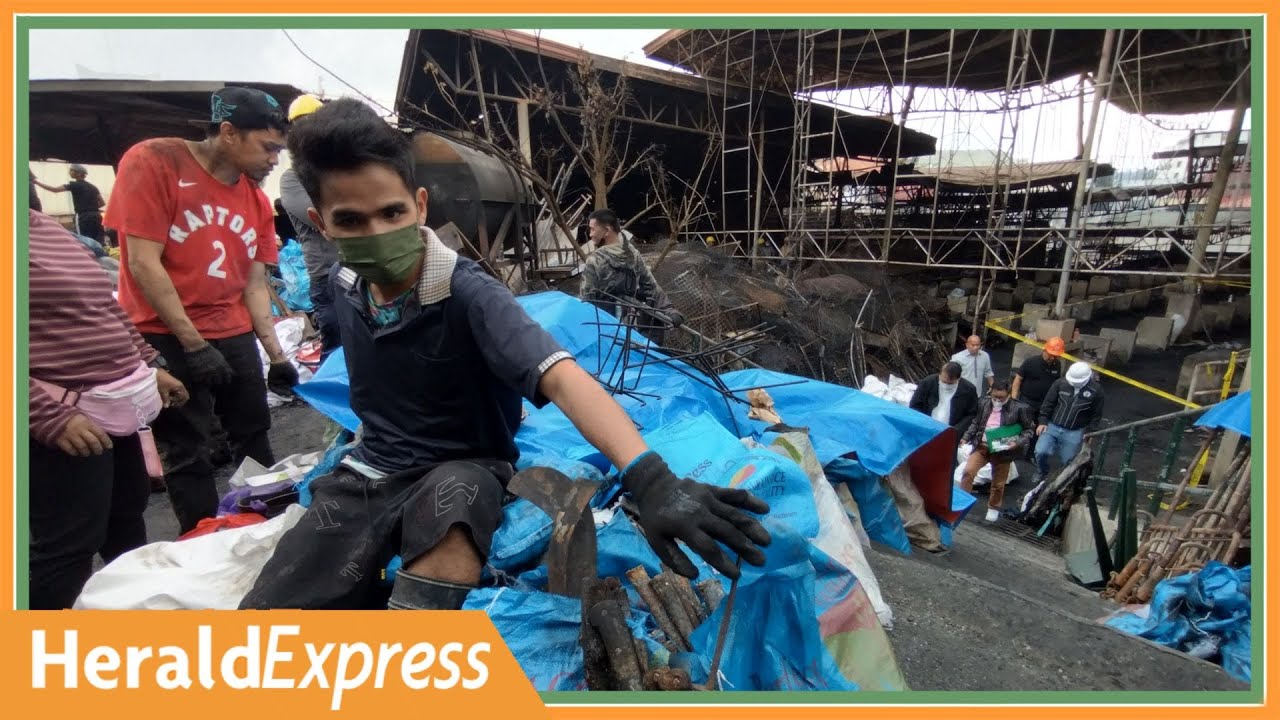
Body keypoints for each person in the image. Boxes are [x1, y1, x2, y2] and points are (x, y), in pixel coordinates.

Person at [239, 98, 771, 611]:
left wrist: (650, 477)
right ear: (322, 223)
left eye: (392, 212)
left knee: (441, 552)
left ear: (419, 205)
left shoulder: (469, 293)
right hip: (373, 468)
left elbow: (564, 378)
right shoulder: (344, 284)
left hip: (463, 469)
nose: (376, 233)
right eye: (352, 221)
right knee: (270, 618)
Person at [104, 86, 299, 535]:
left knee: (253, 430)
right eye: (268, 147)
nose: (274, 159)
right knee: (187, 447)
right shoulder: (154, 162)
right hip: (164, 332)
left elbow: (254, 283)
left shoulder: (254, 200)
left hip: (231, 329)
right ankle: (203, 538)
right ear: (228, 132)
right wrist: (193, 344)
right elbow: (143, 262)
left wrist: (277, 356)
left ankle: (263, 530)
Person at [28, 209, 190, 609]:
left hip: (114, 404)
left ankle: (130, 617)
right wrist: (44, 415)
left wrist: (148, 365)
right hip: (62, 415)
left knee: (126, 517)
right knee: (69, 544)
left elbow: (105, 307)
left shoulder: (44, 226)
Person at [277, 93, 343, 360]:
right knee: (336, 349)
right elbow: (326, 220)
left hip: (360, 271)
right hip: (327, 277)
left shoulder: (340, 171)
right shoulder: (292, 179)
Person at [579, 208, 684, 344]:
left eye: (593, 229)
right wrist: (669, 310)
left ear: (607, 231)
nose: (590, 234)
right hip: (630, 329)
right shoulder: (633, 255)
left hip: (603, 332)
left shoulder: (595, 260)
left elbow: (585, 301)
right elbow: (651, 287)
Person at [957, 379, 1036, 522]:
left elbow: (1029, 430)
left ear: (1009, 394)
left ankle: (993, 507)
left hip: (1003, 451)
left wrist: (1017, 443)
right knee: (968, 472)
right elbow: (976, 422)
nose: (997, 400)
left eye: (1001, 397)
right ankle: (961, 502)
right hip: (982, 446)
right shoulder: (984, 402)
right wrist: (966, 437)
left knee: (998, 483)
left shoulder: (1020, 408)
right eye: (995, 396)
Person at [1034, 361, 1106, 482]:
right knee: (1040, 451)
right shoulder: (1060, 383)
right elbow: (1048, 403)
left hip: (1074, 431)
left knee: (1068, 461)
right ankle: (1042, 471)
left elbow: (1096, 415)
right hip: (1052, 426)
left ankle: (1061, 481)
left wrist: (1091, 432)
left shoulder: (1096, 391)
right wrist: (1043, 421)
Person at [33, 163, 107, 243]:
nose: (70, 172)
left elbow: (54, 189)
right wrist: (91, 206)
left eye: (72, 170)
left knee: (84, 241)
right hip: (96, 216)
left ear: (79, 173)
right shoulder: (93, 187)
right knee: (99, 242)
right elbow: (102, 203)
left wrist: (36, 182)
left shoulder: (74, 185)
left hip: (83, 217)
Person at [909, 361, 980, 438]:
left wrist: (957, 430)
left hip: (952, 432)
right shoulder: (928, 382)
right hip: (926, 429)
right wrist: (923, 423)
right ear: (940, 374)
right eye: (944, 382)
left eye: (950, 383)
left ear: (958, 378)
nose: (946, 385)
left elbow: (971, 414)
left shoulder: (969, 389)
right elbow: (915, 405)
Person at [1011, 336, 1065, 415]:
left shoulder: (1057, 365)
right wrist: (1013, 398)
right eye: (1050, 354)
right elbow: (1018, 379)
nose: (1052, 358)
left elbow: (1056, 383)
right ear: (1044, 350)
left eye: (1055, 356)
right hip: (1027, 401)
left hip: (1044, 402)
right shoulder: (1031, 362)